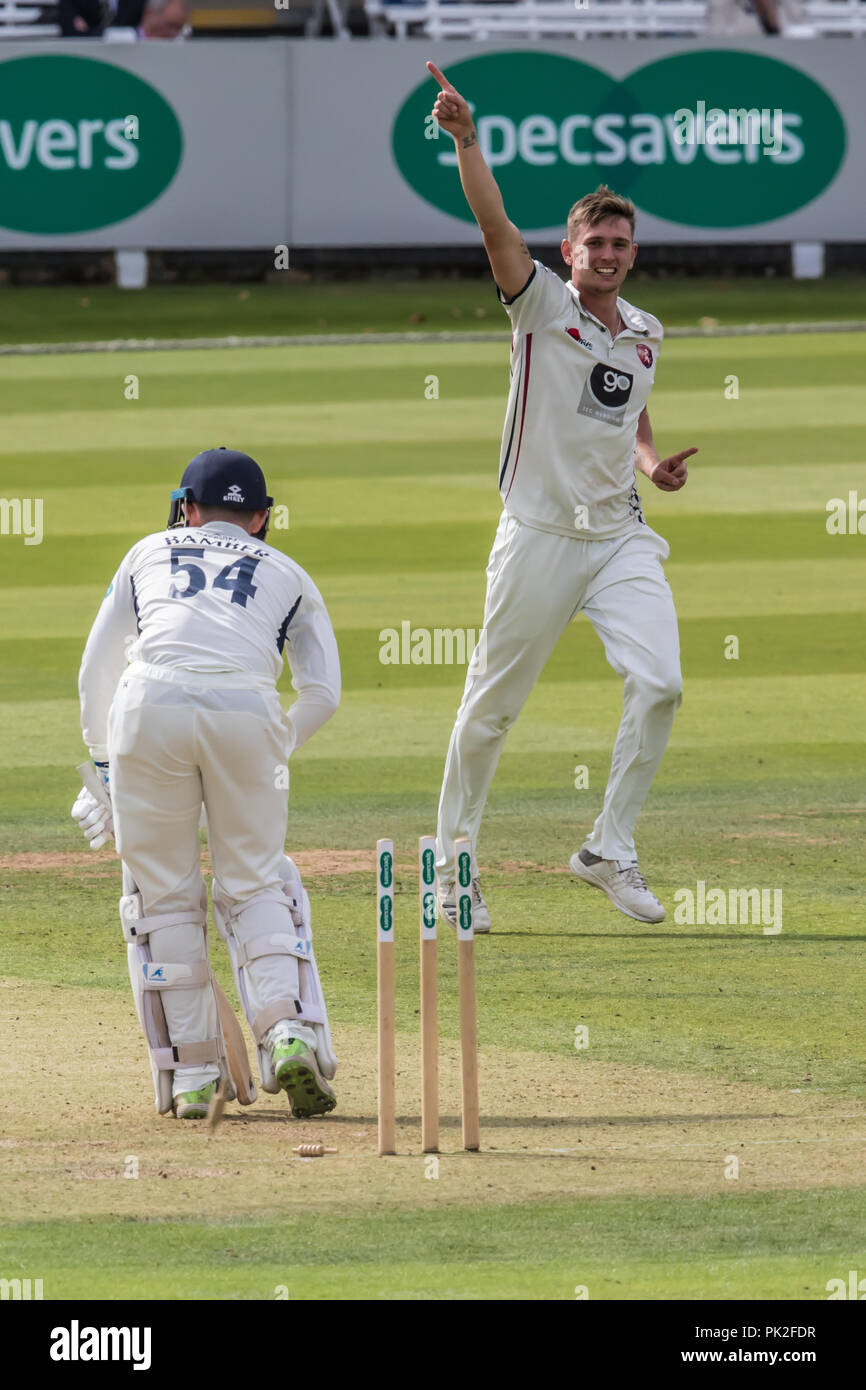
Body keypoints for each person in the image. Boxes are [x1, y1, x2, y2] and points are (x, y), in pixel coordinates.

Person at [427, 61, 698, 930]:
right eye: (596, 245)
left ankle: (607, 850)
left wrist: (650, 464)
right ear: (569, 252)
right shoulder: (539, 303)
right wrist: (468, 141)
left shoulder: (647, 332)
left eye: (622, 245)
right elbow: (492, 222)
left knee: (660, 684)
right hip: (540, 533)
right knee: (491, 712)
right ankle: (449, 873)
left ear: (632, 252)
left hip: (619, 536)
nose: (610, 256)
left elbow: (628, 410)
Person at [71, 449, 341, 1119]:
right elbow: (323, 691)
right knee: (252, 882)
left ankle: (195, 1075)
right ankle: (284, 1033)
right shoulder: (289, 571)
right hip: (247, 711)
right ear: (260, 518)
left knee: (163, 899)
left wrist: (105, 766)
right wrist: (276, 739)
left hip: (146, 706)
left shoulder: (146, 551)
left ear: (187, 508)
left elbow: (95, 673)